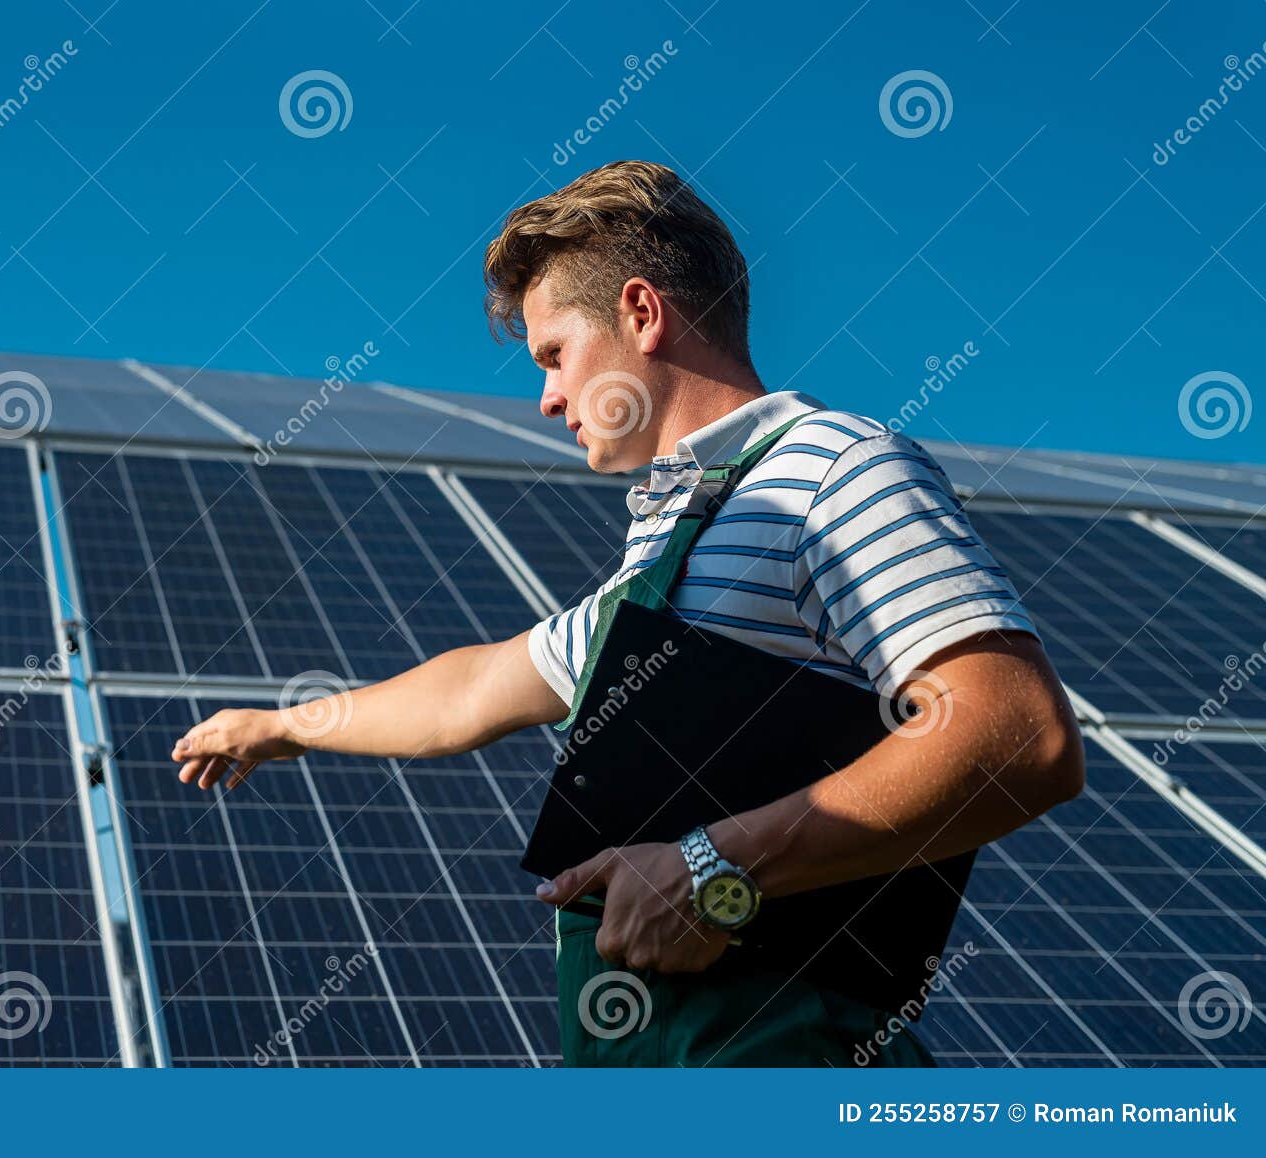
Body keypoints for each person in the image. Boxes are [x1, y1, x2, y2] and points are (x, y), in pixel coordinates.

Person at [170, 160, 1084, 1066]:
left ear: (642, 315)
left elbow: (1015, 734)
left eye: (554, 355)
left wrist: (712, 869)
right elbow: (472, 690)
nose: (547, 398)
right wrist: (284, 724)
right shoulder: (654, 564)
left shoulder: (835, 469)